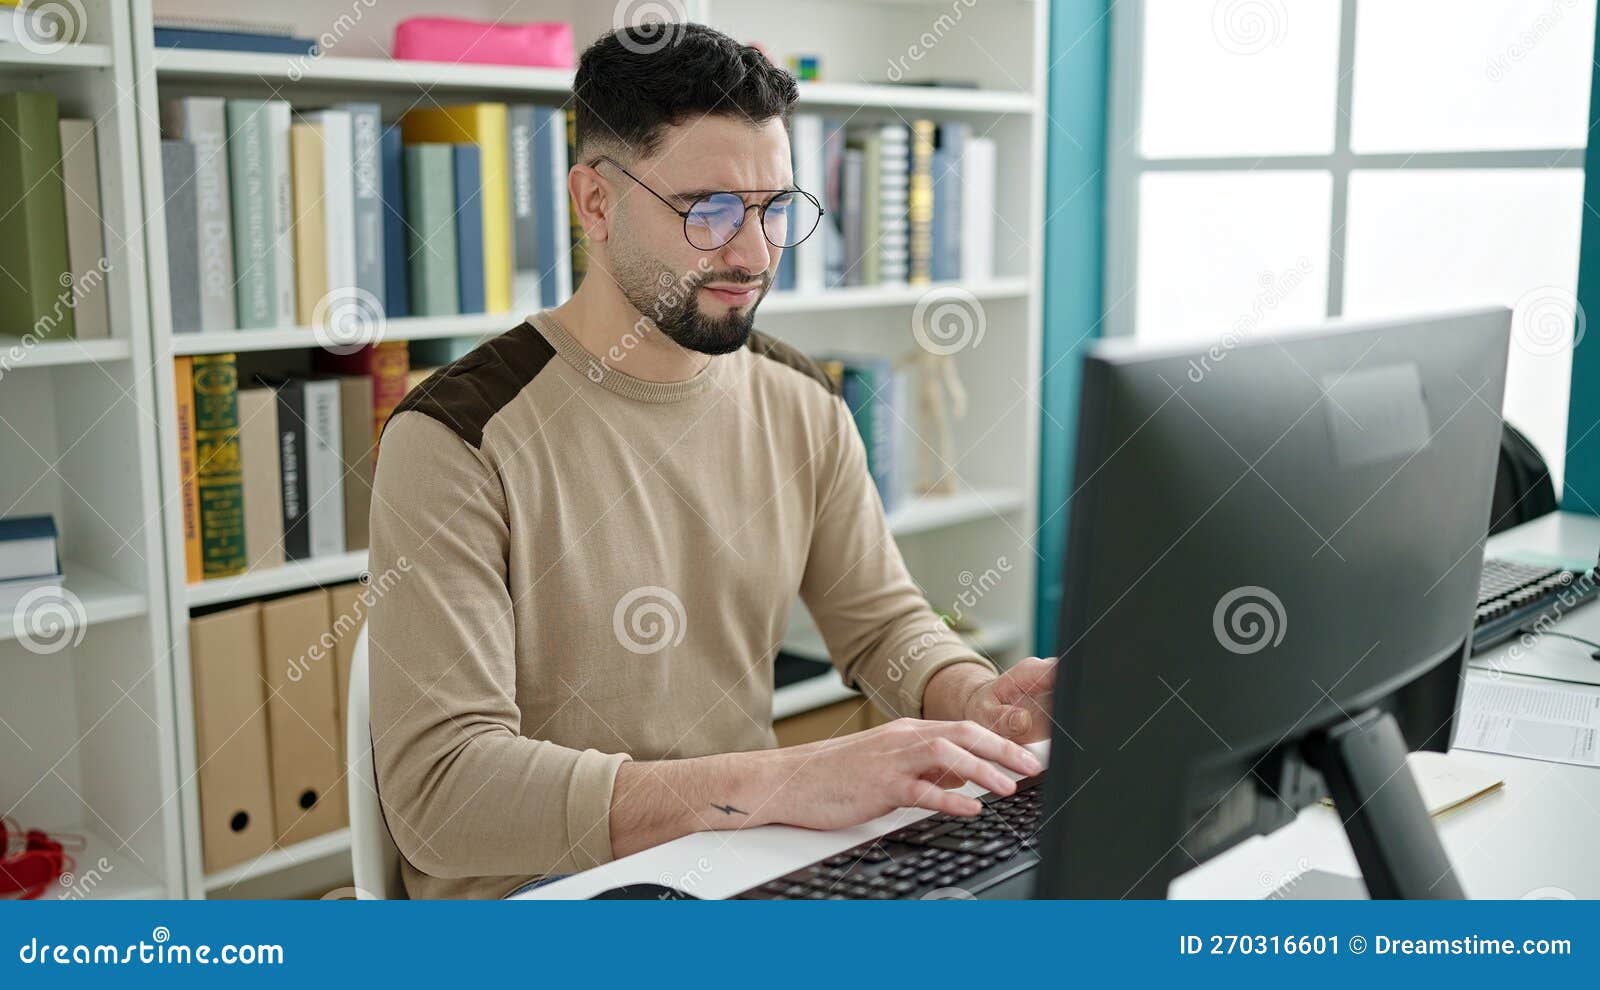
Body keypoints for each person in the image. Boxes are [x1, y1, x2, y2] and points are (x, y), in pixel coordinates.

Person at [368, 22, 1057, 899]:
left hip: (738, 872)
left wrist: (972, 700)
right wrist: (782, 783)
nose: (755, 254)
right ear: (596, 203)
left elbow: (884, 626)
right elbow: (443, 796)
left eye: (776, 209)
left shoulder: (802, 398)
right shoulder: (455, 436)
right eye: (711, 211)